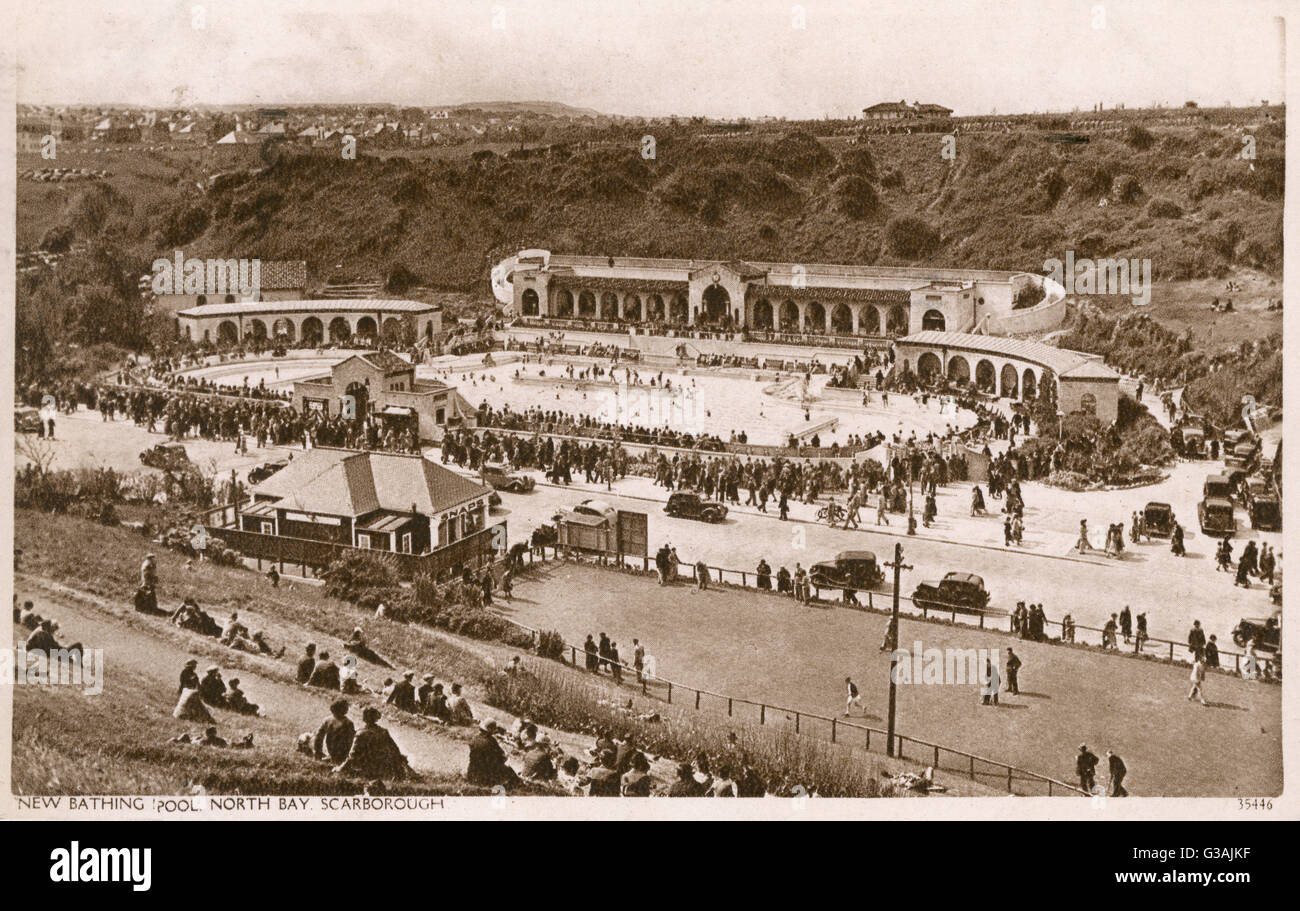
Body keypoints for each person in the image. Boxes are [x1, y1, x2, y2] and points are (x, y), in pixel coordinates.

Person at [335, 707, 413, 780]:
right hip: (383, 767)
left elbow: (352, 755)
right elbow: (394, 749)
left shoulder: (361, 733)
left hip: (365, 768)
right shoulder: (383, 732)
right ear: (376, 718)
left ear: (364, 719)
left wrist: (340, 768)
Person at [466, 719, 520, 789]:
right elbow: (501, 758)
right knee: (509, 770)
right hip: (485, 776)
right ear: (491, 730)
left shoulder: (474, 739)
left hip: (472, 773)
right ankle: (519, 786)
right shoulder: (491, 741)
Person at [314, 699, 357, 764]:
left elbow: (319, 736)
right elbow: (351, 740)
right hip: (342, 752)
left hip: (330, 749)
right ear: (345, 710)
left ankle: (331, 757)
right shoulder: (348, 723)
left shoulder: (327, 720)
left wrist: (318, 751)